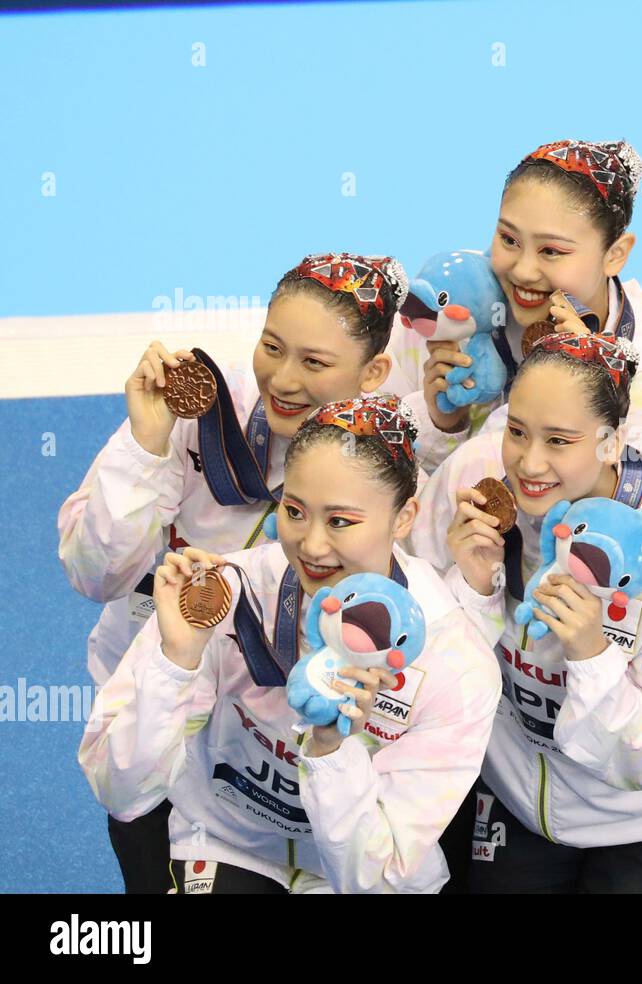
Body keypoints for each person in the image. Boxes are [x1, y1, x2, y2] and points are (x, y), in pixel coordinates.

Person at [58, 252, 407, 892]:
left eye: (316, 362)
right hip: (155, 719)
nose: (284, 378)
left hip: (284, 749)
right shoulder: (198, 415)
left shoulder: (385, 472)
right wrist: (145, 446)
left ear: (374, 372)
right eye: (272, 346)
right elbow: (92, 575)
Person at [79, 395, 500, 892]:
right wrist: (177, 662)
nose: (313, 545)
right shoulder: (228, 594)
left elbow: (373, 879)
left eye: (341, 521)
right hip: (226, 843)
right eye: (295, 512)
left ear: (404, 517)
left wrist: (331, 749)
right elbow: (121, 791)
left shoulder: (454, 663)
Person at [408, 333, 642, 892]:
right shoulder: (475, 488)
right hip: (520, 804)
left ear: (612, 442)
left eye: (560, 440)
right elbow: (425, 681)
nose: (529, 463)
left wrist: (592, 655)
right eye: (516, 431)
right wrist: (471, 587)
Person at [393, 139, 642, 475]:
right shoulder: (451, 312)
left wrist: (583, 380)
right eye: (509, 239)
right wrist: (444, 423)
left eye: (551, 251)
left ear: (615, 254)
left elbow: (614, 514)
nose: (522, 271)